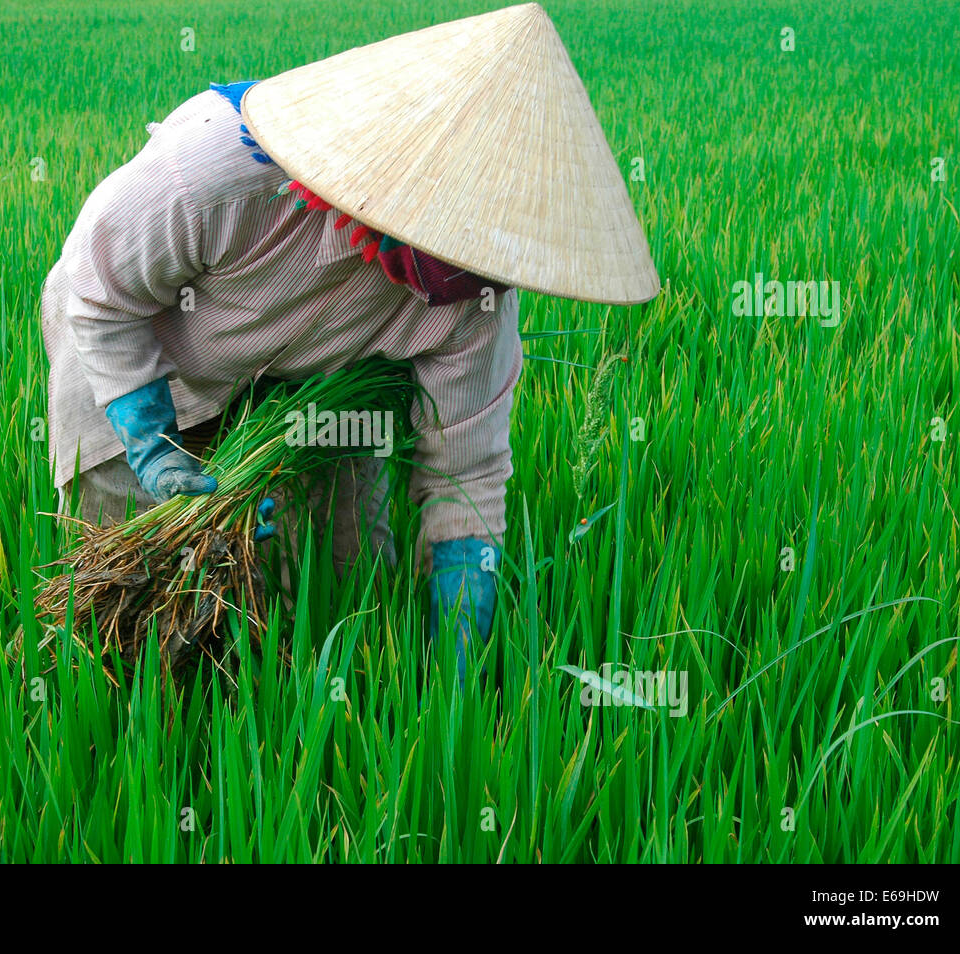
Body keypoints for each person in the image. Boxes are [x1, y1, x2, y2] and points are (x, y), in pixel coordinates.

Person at [39, 3, 659, 681]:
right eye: (447, 240)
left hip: (318, 386)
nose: (465, 276)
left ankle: (290, 706)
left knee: (336, 577)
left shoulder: (477, 299)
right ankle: (154, 716)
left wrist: (458, 677)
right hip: (134, 355)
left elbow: (466, 477)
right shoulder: (219, 173)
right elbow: (97, 291)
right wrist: (156, 449)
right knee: (149, 592)